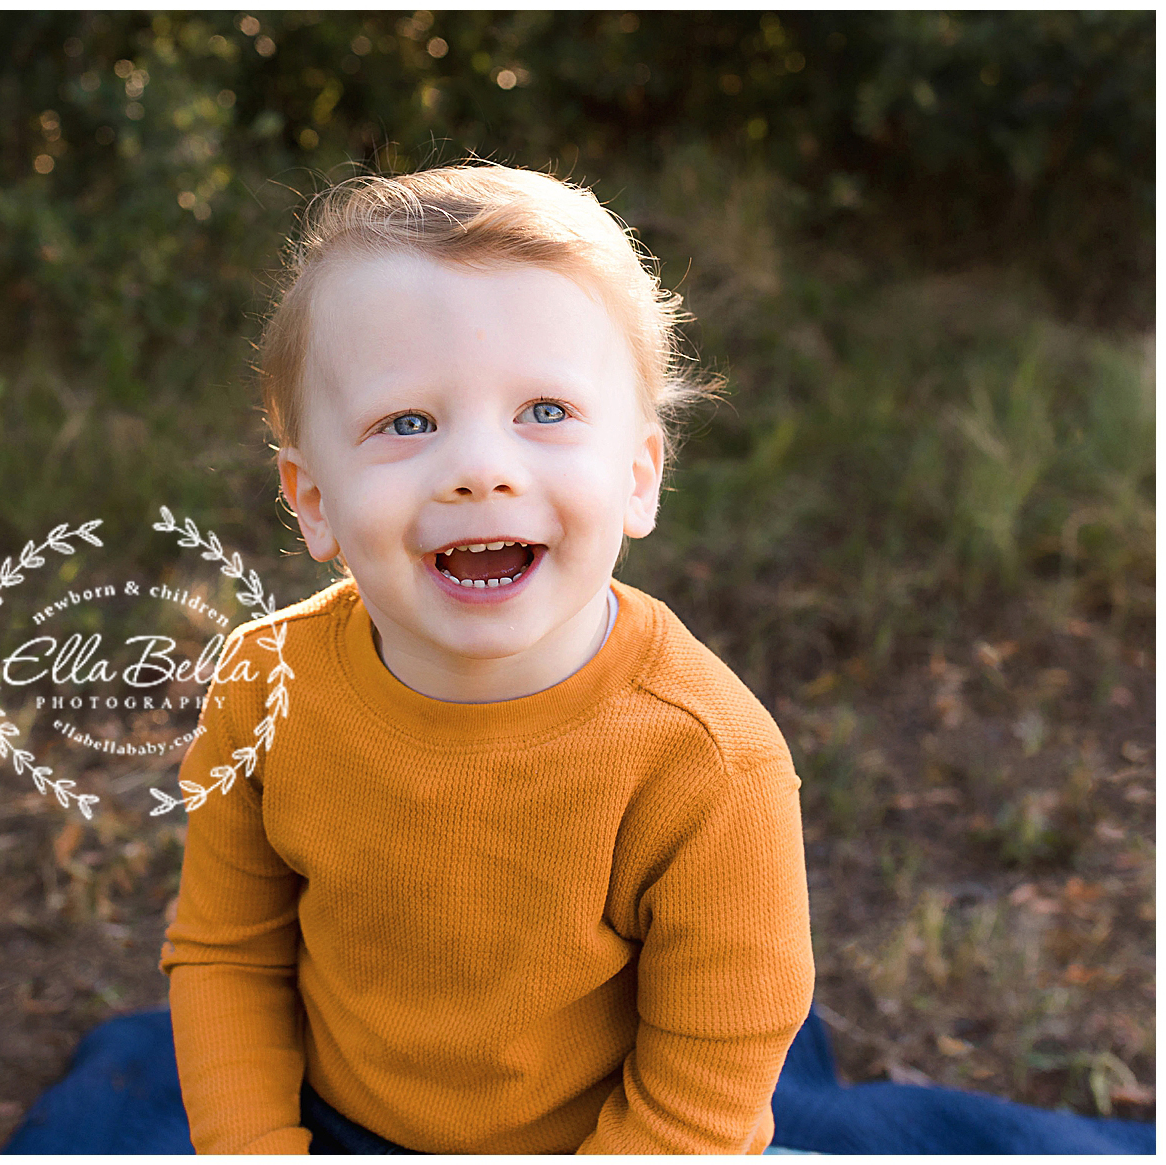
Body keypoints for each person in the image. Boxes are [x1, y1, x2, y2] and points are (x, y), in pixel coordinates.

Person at [158, 162, 814, 1154]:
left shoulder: (707, 762)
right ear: (312, 500)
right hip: (340, 1119)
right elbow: (227, 955)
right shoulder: (265, 686)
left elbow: (704, 1085)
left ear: (637, 477)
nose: (478, 469)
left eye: (543, 411)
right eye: (406, 422)